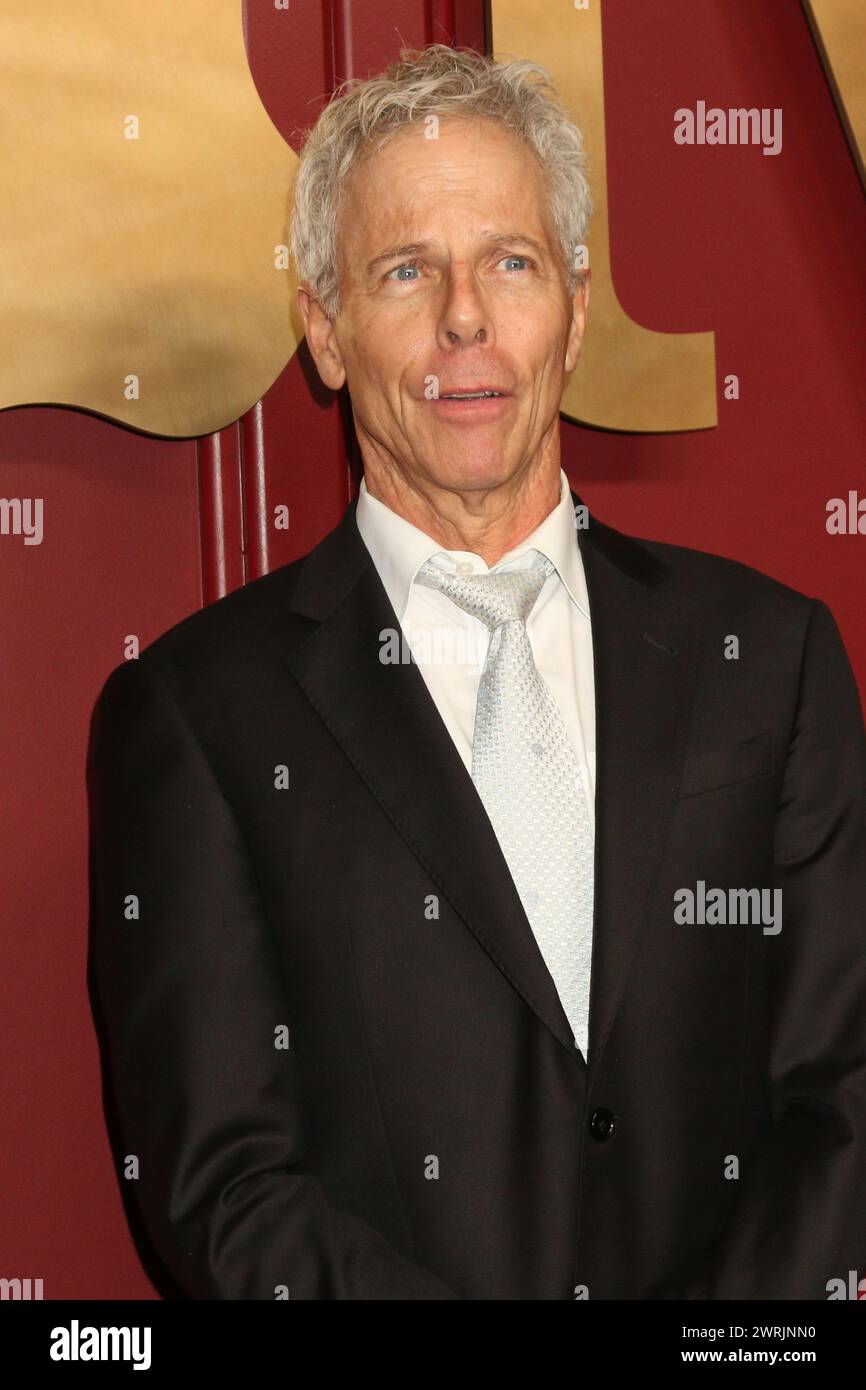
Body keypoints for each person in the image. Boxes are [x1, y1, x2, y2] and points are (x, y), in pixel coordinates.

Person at [89, 44, 866, 1300]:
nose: (465, 314)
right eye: (406, 270)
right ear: (325, 331)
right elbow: (222, 1187)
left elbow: (843, 1093)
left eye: (508, 261)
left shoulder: (768, 663)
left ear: (571, 312)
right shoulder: (194, 719)